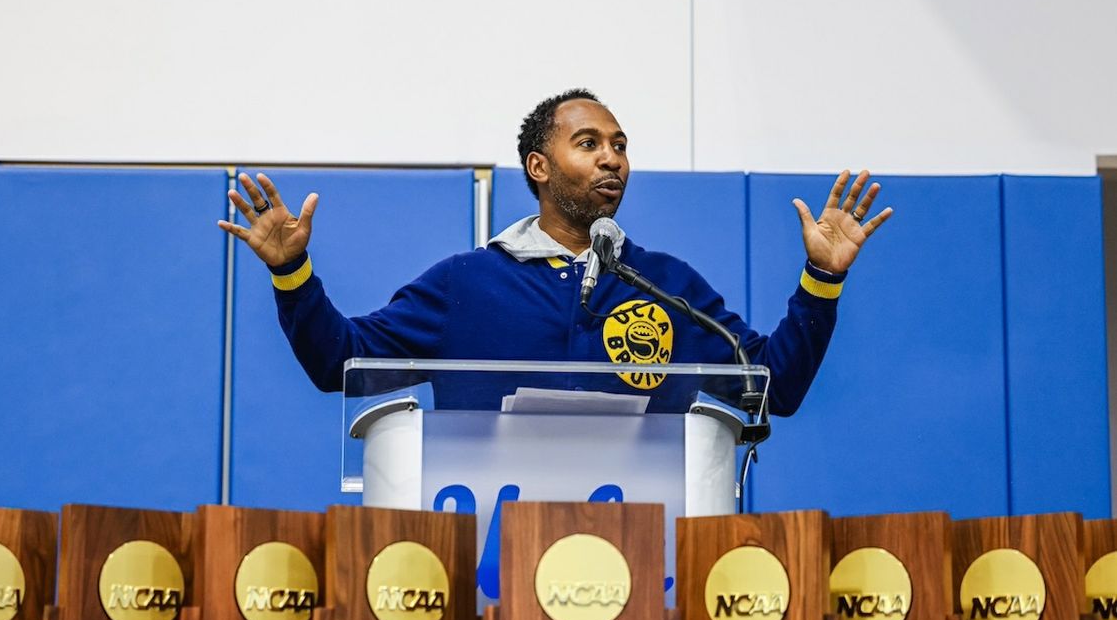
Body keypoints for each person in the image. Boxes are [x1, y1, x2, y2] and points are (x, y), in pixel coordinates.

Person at [218, 89, 891, 415]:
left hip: (644, 568)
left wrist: (821, 279)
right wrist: (291, 273)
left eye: (621, 145)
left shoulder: (668, 287)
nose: (612, 160)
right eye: (590, 143)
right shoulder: (466, 285)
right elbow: (340, 364)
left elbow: (775, 386)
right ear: (539, 167)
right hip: (492, 565)